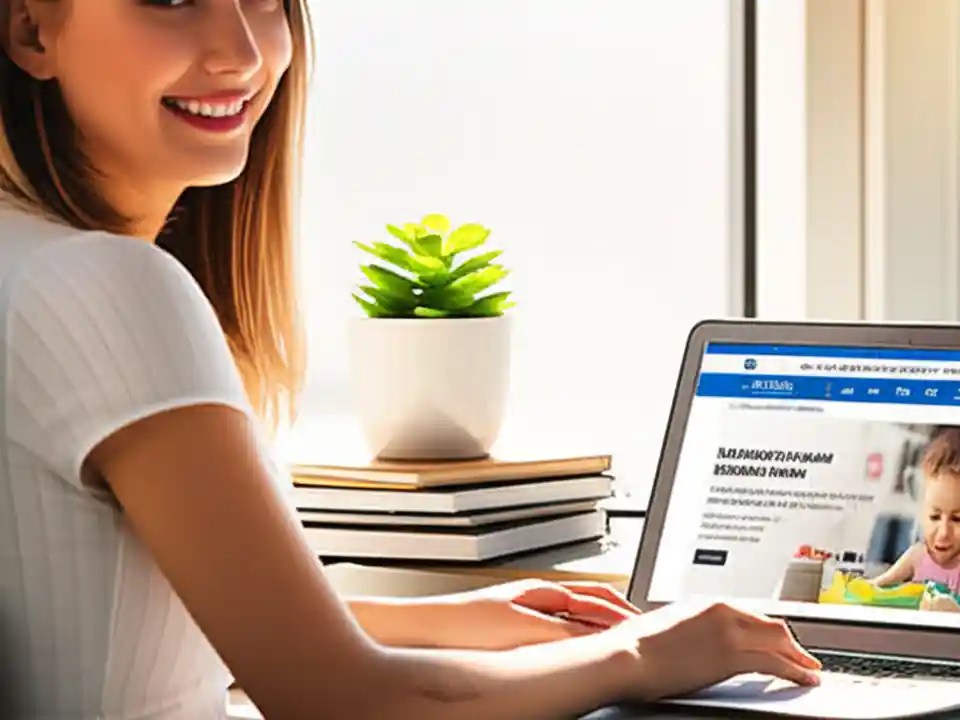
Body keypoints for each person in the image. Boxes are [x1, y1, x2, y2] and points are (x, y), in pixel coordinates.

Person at [0, 1, 820, 718]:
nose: (243, 53)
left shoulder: (27, 260)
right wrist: (642, 657)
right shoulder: (112, 285)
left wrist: (447, 616)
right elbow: (344, 701)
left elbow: (110, 621)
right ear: (30, 25)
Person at [869, 426, 960, 615]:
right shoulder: (916, 556)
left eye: (958, 519)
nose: (943, 532)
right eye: (934, 517)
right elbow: (874, 587)